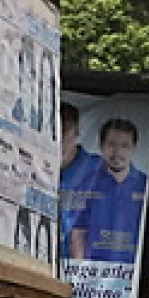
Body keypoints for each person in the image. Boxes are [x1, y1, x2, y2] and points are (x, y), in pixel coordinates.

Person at [69, 118, 149, 263]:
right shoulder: (86, 185)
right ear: (101, 146)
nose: (117, 152)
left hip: (133, 275)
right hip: (94, 274)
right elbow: (78, 232)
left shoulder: (146, 185)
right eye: (111, 144)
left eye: (124, 146)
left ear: (134, 148)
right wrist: (80, 270)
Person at [58, 102, 101, 256]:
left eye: (65, 128)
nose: (60, 135)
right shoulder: (35, 165)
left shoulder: (99, 167)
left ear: (77, 132)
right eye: (55, 127)